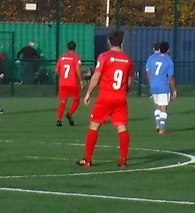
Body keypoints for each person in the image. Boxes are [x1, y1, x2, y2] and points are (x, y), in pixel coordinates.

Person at [80, 29, 134, 167]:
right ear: (122, 41)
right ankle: (123, 160)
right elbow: (129, 81)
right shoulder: (128, 59)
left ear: (109, 41)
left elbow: (97, 75)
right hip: (120, 97)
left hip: (105, 97)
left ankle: (87, 160)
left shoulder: (104, 56)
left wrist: (88, 93)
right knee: (122, 127)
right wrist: (123, 93)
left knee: (94, 126)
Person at [145, 40, 177, 135]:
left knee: (157, 106)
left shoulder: (152, 58)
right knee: (163, 107)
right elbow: (170, 77)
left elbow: (148, 74)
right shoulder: (169, 61)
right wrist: (174, 90)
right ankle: (162, 129)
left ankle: (158, 125)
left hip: (153, 86)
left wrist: (151, 84)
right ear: (168, 50)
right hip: (163, 86)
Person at [54, 41, 82, 126]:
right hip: (72, 82)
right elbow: (78, 69)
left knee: (63, 101)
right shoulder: (76, 58)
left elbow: (56, 70)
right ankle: (70, 113)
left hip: (63, 82)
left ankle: (59, 120)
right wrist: (80, 81)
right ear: (75, 48)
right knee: (76, 100)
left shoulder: (62, 57)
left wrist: (61, 76)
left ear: (67, 48)